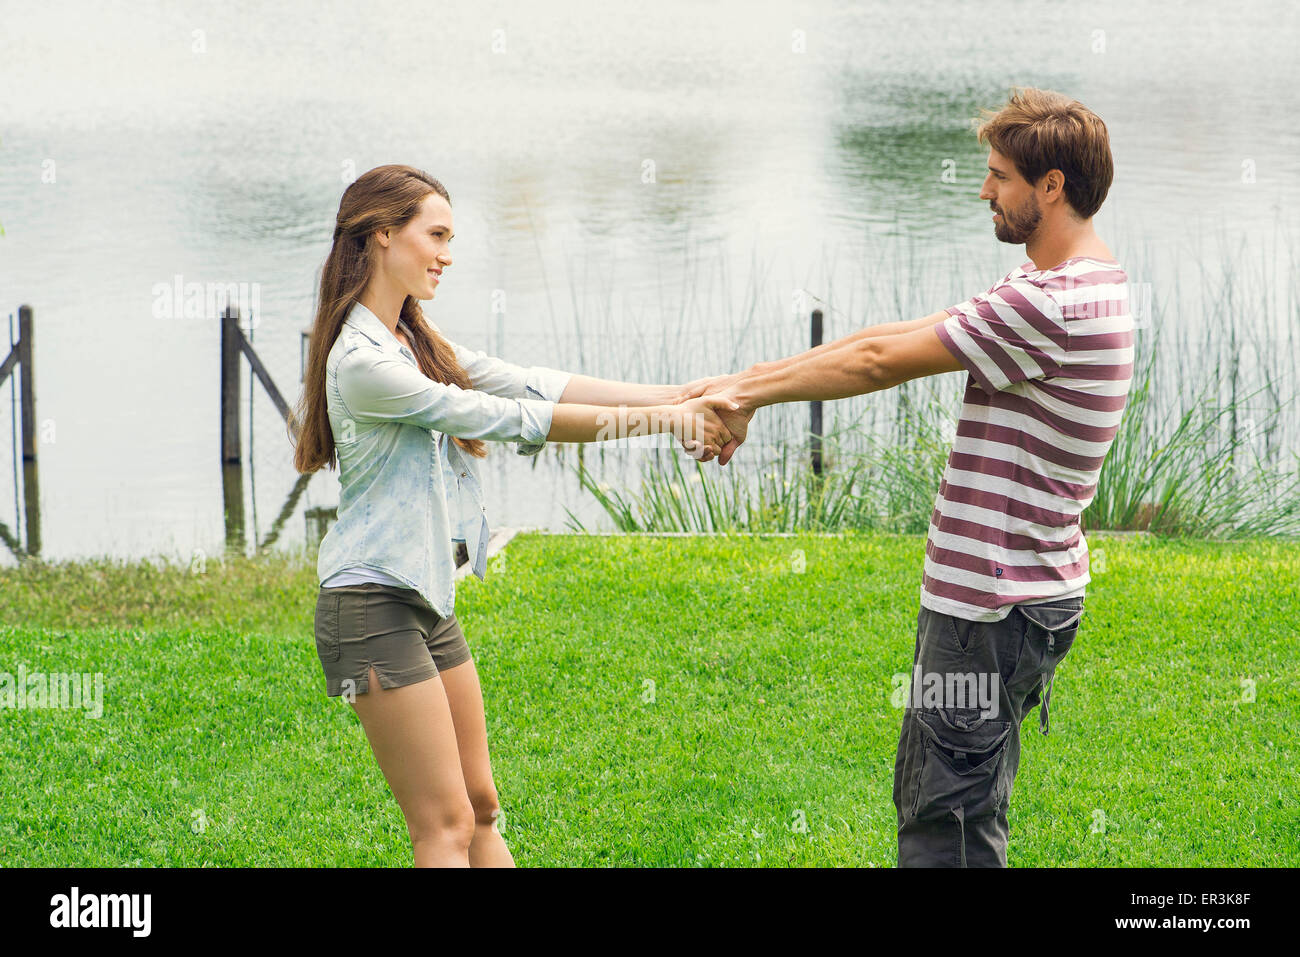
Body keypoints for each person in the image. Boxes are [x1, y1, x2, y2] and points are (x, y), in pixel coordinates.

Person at [681, 88, 1135, 867]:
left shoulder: (1051, 303)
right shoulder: (1069, 283)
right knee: (950, 798)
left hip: (991, 607)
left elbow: (877, 363)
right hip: (1014, 594)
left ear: (1050, 186)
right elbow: (892, 336)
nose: (984, 189)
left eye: (998, 175)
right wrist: (751, 377)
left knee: (945, 821)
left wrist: (745, 396)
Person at [290, 164, 734, 867]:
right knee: (441, 824)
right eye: (435, 234)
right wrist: (664, 422)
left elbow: (531, 381)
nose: (447, 253)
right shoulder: (363, 362)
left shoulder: (414, 339)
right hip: (368, 606)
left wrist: (681, 394)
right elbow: (503, 415)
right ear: (381, 235)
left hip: (424, 596)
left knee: (481, 804)